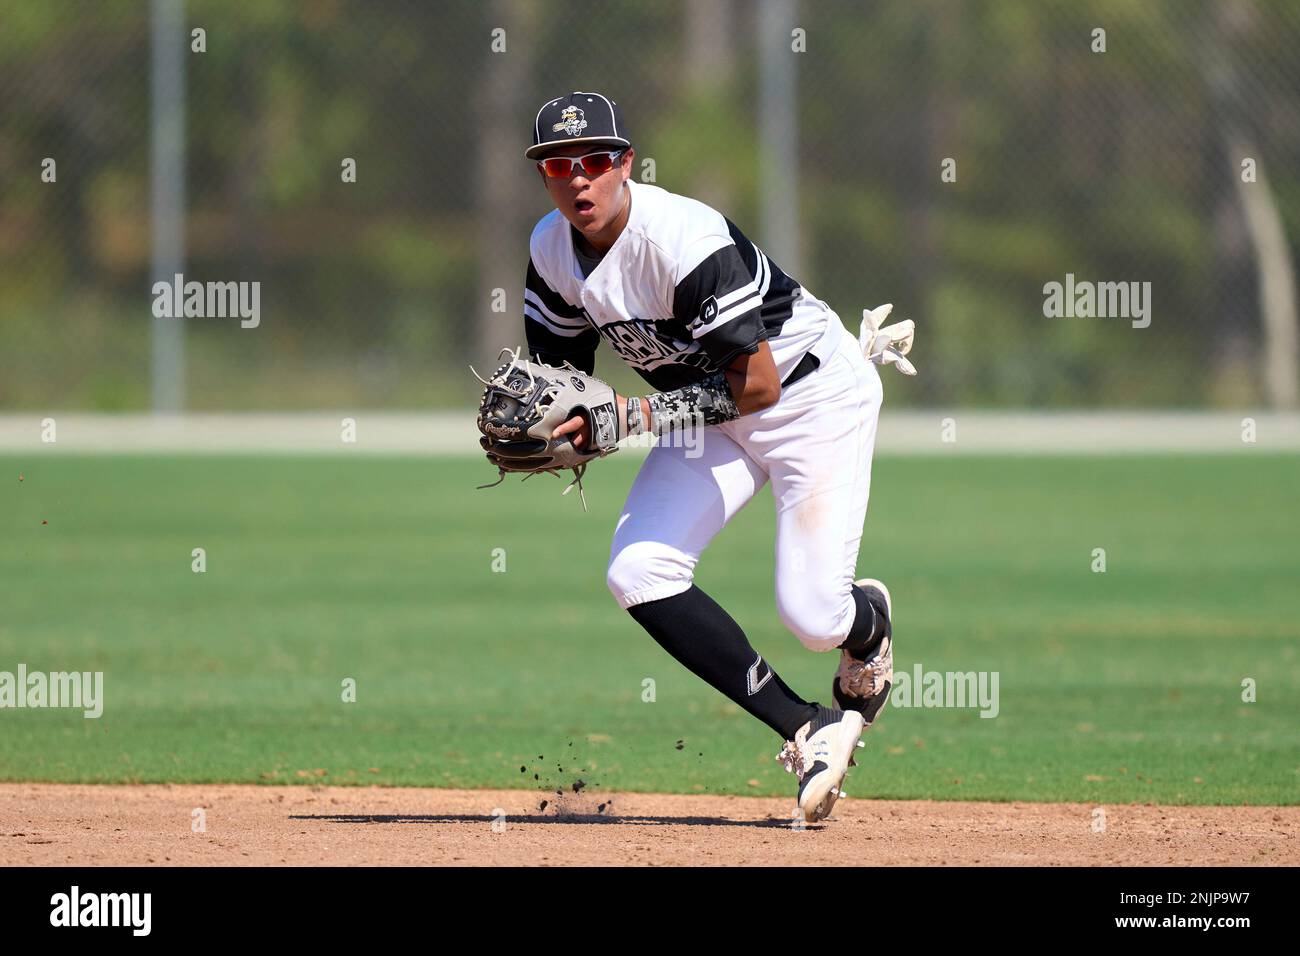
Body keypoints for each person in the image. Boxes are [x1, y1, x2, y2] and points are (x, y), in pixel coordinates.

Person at [520, 91, 905, 822]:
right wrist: (560, 427)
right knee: (637, 571)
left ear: (625, 164)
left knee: (815, 616)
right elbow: (566, 380)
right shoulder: (549, 249)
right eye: (559, 164)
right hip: (708, 417)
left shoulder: (682, 242)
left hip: (809, 399)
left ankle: (869, 626)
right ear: (542, 174)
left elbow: (756, 385)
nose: (579, 179)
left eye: (596, 160)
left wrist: (629, 417)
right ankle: (809, 726)